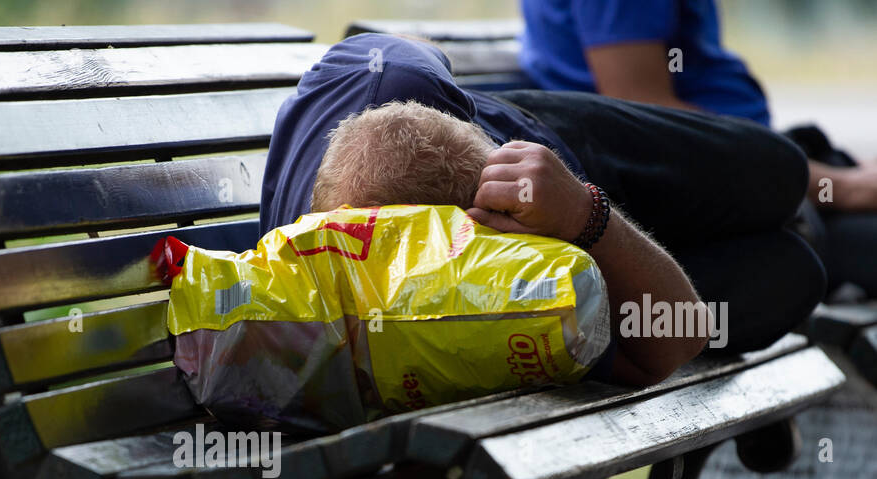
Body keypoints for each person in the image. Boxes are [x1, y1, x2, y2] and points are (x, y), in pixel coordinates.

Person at [262, 33, 825, 380]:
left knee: (782, 170)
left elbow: (398, 47)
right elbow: (678, 341)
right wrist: (586, 220)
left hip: (555, 136)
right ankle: (815, 219)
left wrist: (565, 192)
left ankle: (818, 194)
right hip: (574, 226)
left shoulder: (388, 76)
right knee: (794, 273)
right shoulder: (454, 302)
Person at [518, 0, 877, 299]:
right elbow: (644, 109)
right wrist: (845, 187)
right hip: (717, 194)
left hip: (756, 177)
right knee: (799, 263)